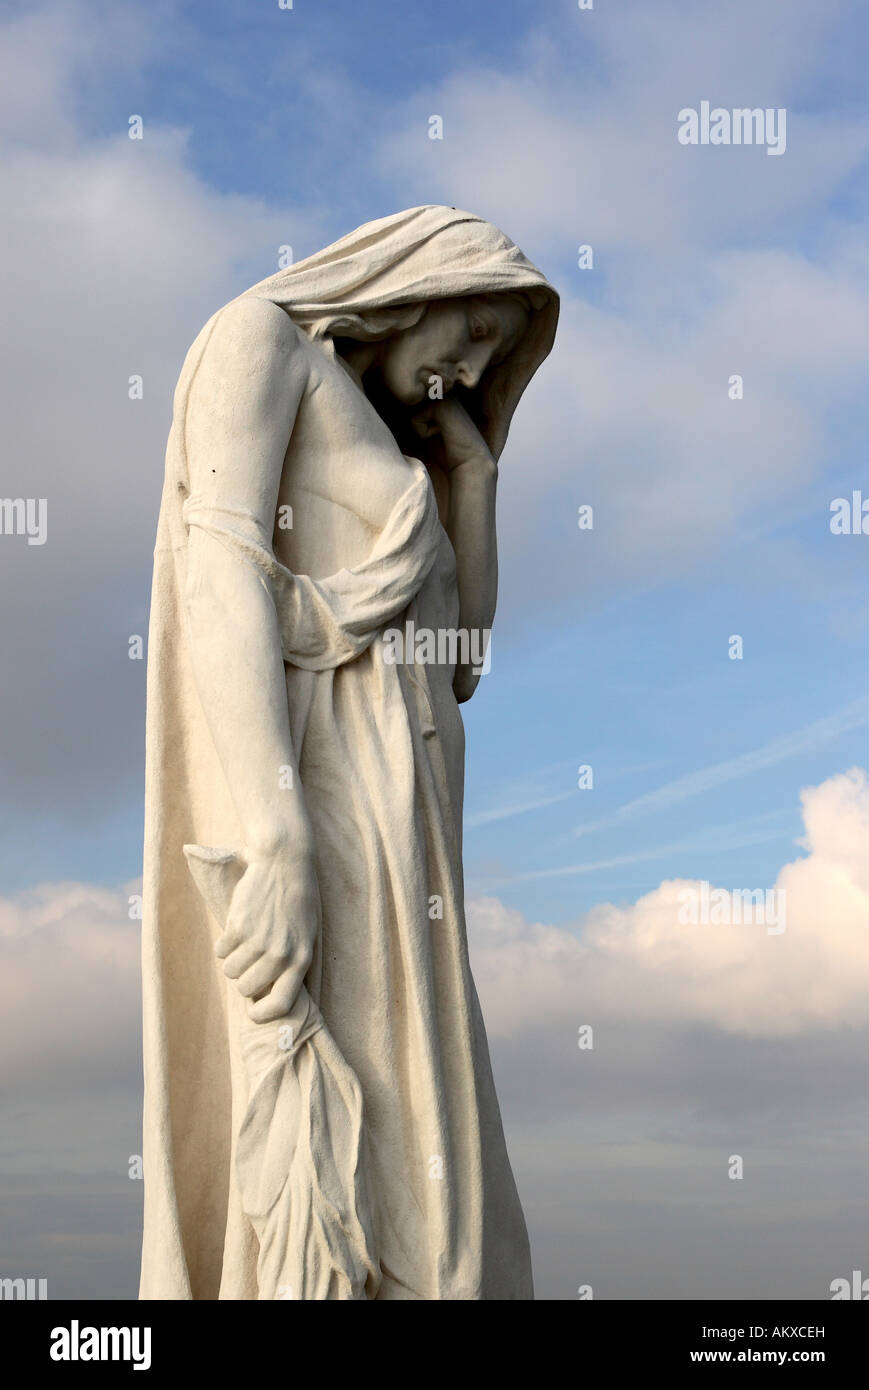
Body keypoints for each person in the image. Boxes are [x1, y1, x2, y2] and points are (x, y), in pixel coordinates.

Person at [140, 205, 559, 1300]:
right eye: (471, 327)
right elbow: (218, 567)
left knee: (434, 1144)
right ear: (409, 280)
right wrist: (273, 832)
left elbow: (461, 653)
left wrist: (470, 479)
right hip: (318, 794)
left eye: (492, 358)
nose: (471, 364)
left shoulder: (394, 445)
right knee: (344, 1134)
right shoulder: (258, 339)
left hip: (413, 825)